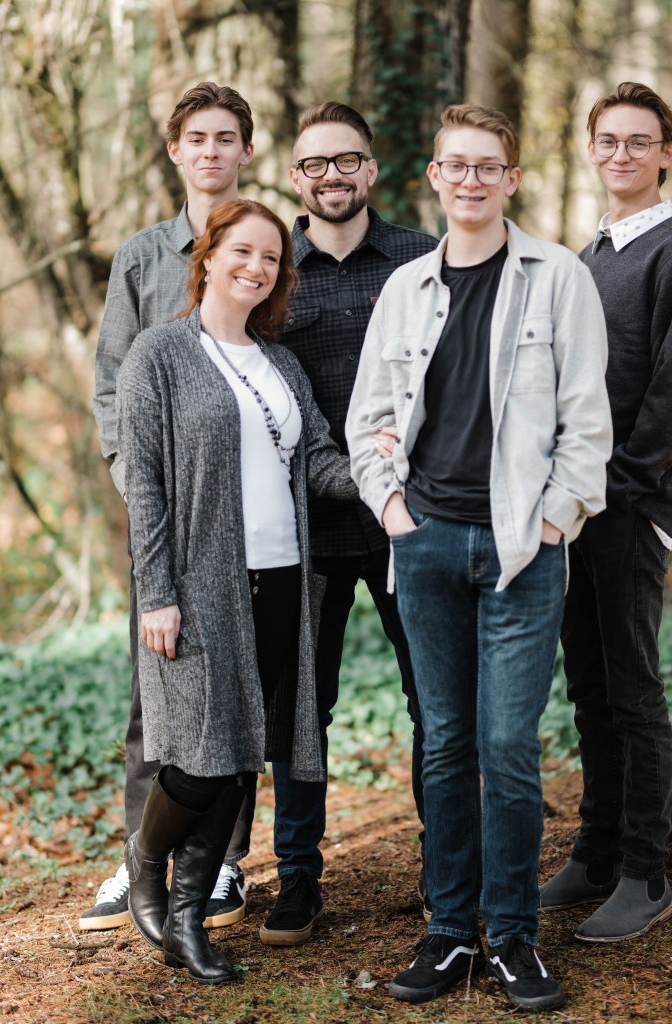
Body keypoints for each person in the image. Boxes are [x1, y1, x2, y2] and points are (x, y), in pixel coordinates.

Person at [346, 104, 612, 1010]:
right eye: (453, 164)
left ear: (512, 179)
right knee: (446, 744)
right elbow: (366, 419)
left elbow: (587, 423)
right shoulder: (404, 290)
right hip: (422, 544)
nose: (469, 179)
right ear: (432, 175)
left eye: (486, 166)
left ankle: (513, 939)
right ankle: (447, 932)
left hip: (519, 552)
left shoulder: (556, 278)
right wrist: (390, 508)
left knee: (507, 745)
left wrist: (550, 525)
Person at [115, 198, 358, 983]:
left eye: (271, 259)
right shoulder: (159, 354)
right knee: (201, 756)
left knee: (246, 749)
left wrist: (381, 476)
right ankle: (147, 860)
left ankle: (188, 917)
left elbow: (316, 459)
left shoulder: (280, 363)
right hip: (199, 581)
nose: (256, 268)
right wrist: (156, 592)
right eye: (242, 252)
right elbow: (144, 483)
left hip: (286, 577)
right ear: (209, 256)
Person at [540, 82, 672, 942]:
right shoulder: (589, 253)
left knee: (634, 691)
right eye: (607, 141)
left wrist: (615, 493)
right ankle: (596, 850)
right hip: (573, 508)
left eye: (637, 141)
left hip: (628, 508)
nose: (620, 154)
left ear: (666, 152)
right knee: (588, 687)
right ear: (591, 150)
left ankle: (645, 872)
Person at [258, 102, 438, 946]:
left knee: (433, 701)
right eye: (316, 164)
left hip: (411, 520)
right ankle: (297, 880)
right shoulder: (269, 267)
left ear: (372, 169)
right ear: (295, 177)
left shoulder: (420, 258)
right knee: (303, 710)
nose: (333, 175)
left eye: (349, 160)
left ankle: (449, 867)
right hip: (303, 530)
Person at [89, 82, 257, 933]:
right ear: (175, 149)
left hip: (245, 519)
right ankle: (137, 860)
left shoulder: (267, 245)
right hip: (161, 516)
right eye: (197, 137)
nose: (211, 151)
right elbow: (113, 380)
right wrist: (132, 482)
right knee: (150, 692)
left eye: (226, 137)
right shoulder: (142, 258)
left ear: (246, 152)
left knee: (236, 688)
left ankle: (224, 864)